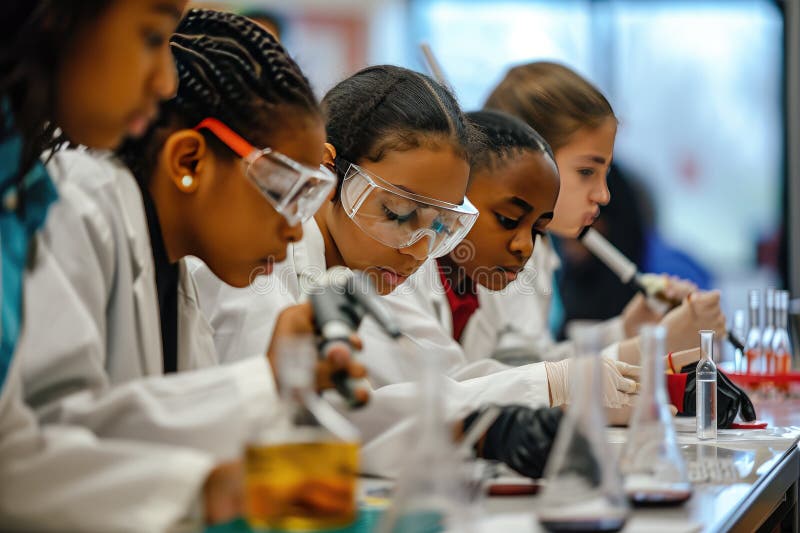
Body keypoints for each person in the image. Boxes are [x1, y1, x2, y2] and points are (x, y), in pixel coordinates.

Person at [9, 8, 359, 530]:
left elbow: (138, 435)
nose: (294, 232)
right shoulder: (79, 199)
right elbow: (39, 439)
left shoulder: (178, 269)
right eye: (285, 194)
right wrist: (265, 381)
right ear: (190, 162)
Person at [473, 61, 726, 366]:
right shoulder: (481, 257)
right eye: (585, 171)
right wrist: (648, 348)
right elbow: (511, 385)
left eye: (604, 173)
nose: (603, 195)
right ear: (526, 161)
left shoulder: (538, 250)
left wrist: (627, 330)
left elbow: (535, 364)